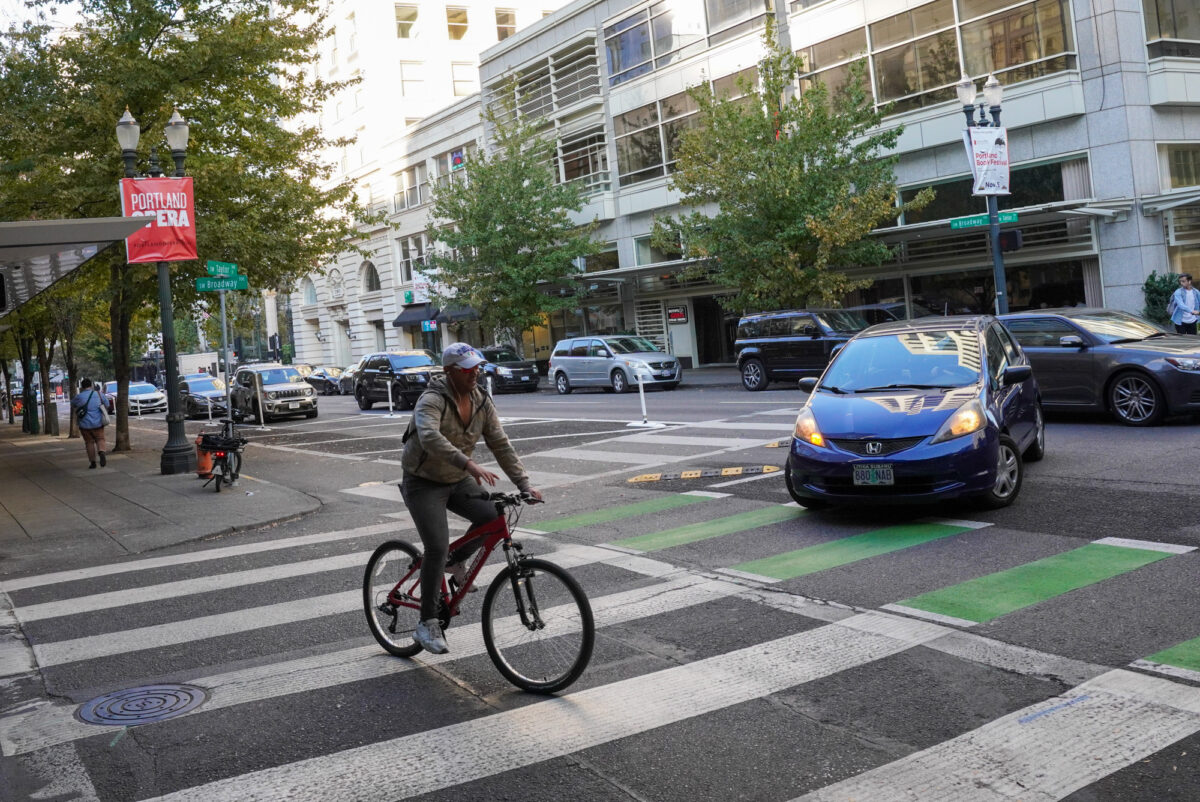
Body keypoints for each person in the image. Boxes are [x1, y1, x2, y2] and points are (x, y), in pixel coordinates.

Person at [399, 343, 542, 654]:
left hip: (457, 477)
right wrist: (468, 463)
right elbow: (428, 436)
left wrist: (525, 484)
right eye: (467, 368)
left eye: (477, 366)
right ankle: (426, 623)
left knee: (492, 517)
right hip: (423, 482)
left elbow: (500, 444)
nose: (475, 372)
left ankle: (453, 561)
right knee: (436, 546)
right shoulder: (432, 399)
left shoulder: (481, 401)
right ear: (449, 372)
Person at [70, 379, 107, 469]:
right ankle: (101, 451)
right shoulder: (99, 394)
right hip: (98, 423)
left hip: (84, 424)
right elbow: (106, 404)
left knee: (89, 442)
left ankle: (93, 462)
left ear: (82, 387)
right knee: (100, 439)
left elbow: (72, 404)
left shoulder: (79, 396)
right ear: (91, 385)